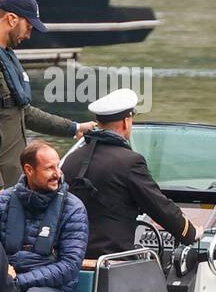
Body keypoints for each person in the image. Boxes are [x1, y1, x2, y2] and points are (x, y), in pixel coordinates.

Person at [0, 0, 94, 197]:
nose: (29, 34)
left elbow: (22, 112)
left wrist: (75, 128)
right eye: (29, 26)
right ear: (11, 19)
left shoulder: (2, 56)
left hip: (12, 183)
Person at [61, 87, 197, 259]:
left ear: (98, 123)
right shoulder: (130, 162)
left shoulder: (72, 159)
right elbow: (159, 206)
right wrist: (190, 232)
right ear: (126, 122)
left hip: (71, 259)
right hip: (113, 263)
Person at [0, 141, 89, 292]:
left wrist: (19, 281)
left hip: (55, 289)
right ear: (29, 169)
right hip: (5, 283)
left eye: (58, 166)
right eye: (49, 168)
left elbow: (70, 266)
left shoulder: (73, 208)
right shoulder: (1, 203)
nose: (57, 174)